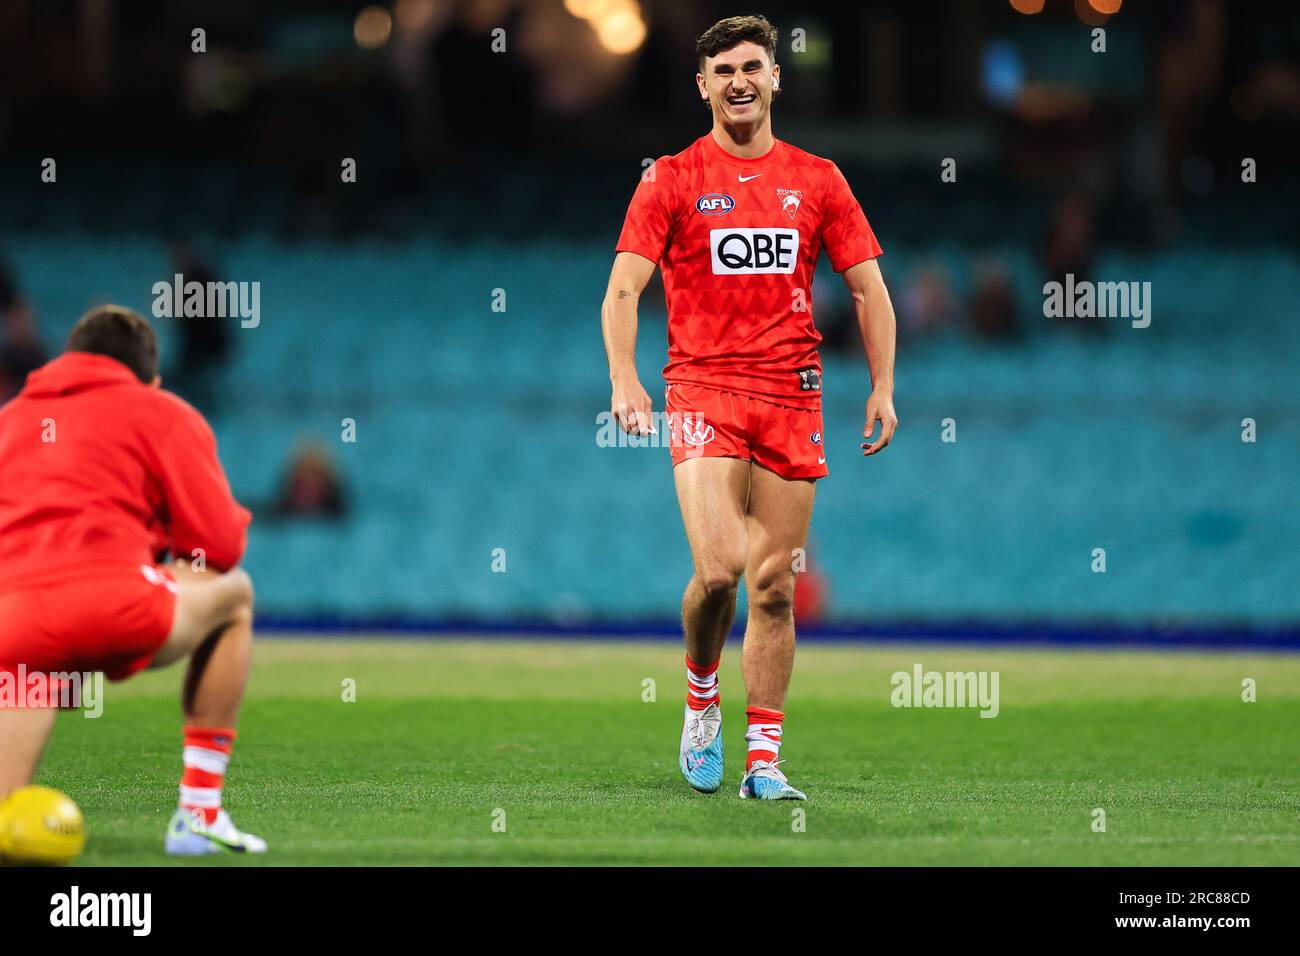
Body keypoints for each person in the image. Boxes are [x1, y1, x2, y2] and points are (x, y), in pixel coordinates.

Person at [601, 15, 898, 801]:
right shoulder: (669, 178)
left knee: (773, 586)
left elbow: (869, 287)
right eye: (723, 68)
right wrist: (624, 378)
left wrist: (882, 385)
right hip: (701, 388)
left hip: (792, 394)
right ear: (702, 85)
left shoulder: (820, 178)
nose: (739, 80)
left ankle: (763, 762)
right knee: (720, 570)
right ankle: (702, 701)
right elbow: (625, 288)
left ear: (775, 78)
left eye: (752, 67)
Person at [0, 305, 266, 855]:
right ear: (150, 376)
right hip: (115, 604)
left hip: (13, 619)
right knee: (235, 593)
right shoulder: (161, 410)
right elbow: (218, 546)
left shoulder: (9, 418)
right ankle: (199, 815)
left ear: (66, 360)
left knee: (25, 688)